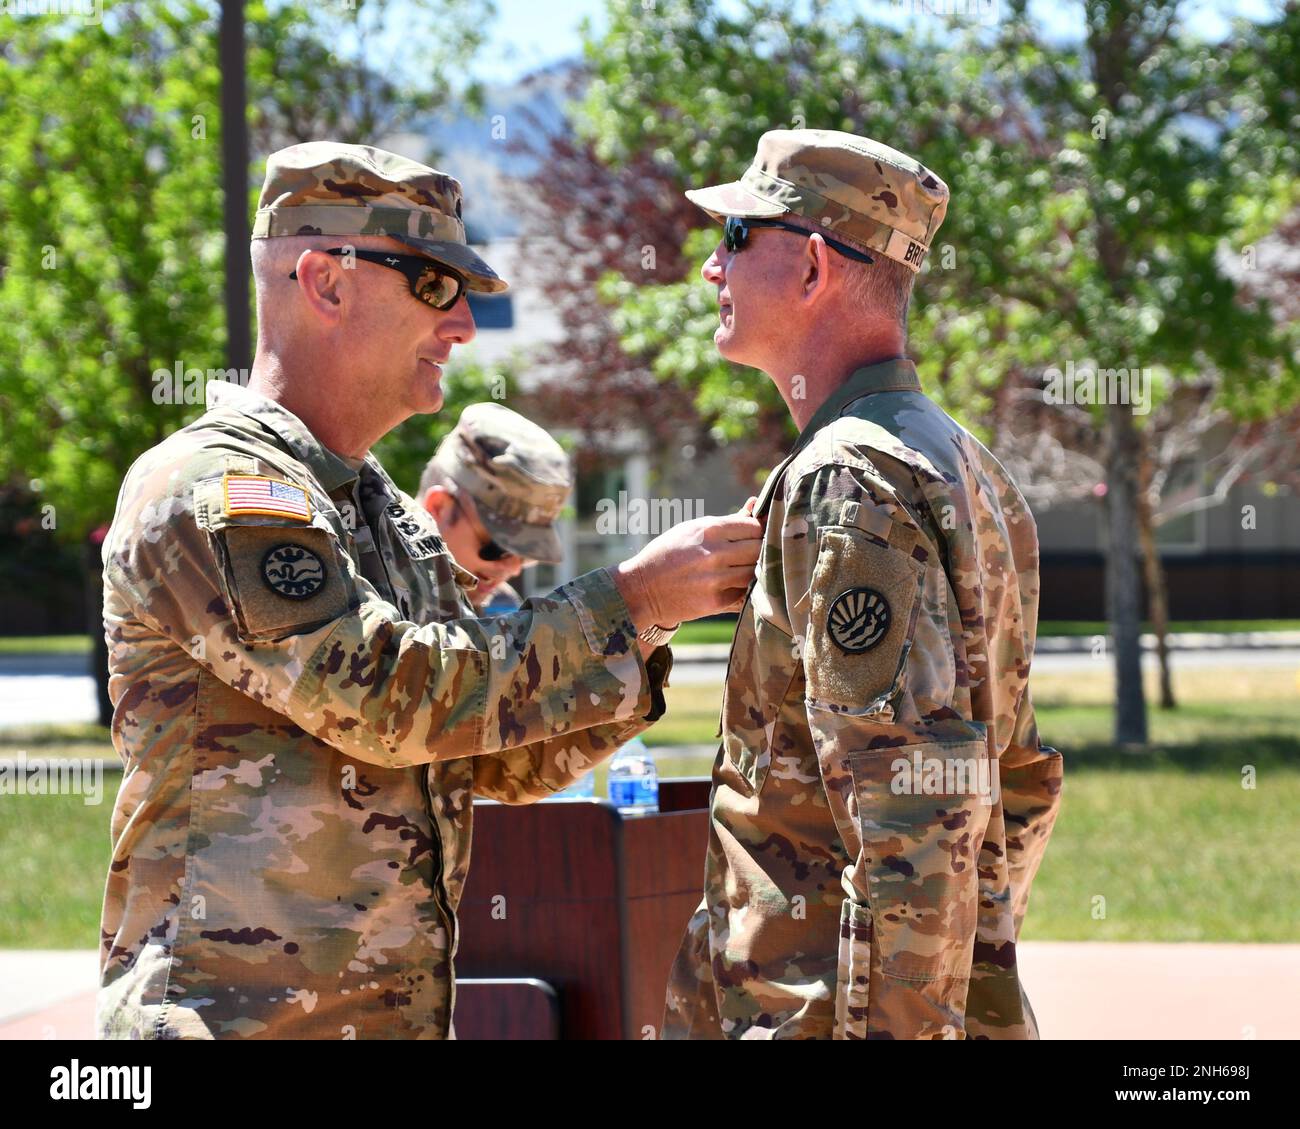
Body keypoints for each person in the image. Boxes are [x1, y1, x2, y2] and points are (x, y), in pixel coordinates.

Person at [97, 141, 762, 1040]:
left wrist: (647, 628)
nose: (463, 326)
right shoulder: (219, 489)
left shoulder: (382, 516)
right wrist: (630, 601)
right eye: (434, 285)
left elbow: (490, 755)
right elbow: (388, 695)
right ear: (326, 281)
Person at [661, 129, 1063, 1040]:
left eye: (734, 237)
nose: (710, 270)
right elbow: (1021, 782)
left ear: (811, 267)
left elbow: (917, 815)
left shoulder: (850, 479)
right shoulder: (967, 463)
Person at [418, 403, 570, 613]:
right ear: (439, 506)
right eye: (502, 547)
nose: (514, 569)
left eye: (527, 551)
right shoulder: (371, 588)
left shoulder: (501, 603)